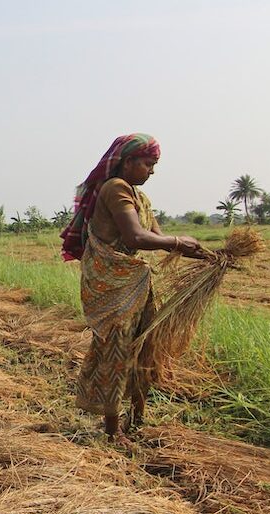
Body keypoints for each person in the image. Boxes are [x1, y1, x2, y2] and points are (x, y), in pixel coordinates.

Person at [60, 134, 207, 444]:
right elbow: (135, 238)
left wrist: (212, 256)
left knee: (143, 345)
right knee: (117, 350)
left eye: (154, 165)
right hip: (110, 282)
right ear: (128, 162)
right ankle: (113, 432)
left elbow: (158, 239)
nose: (152, 171)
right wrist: (179, 242)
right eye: (148, 164)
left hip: (134, 281)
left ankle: (138, 417)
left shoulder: (141, 198)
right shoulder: (115, 189)